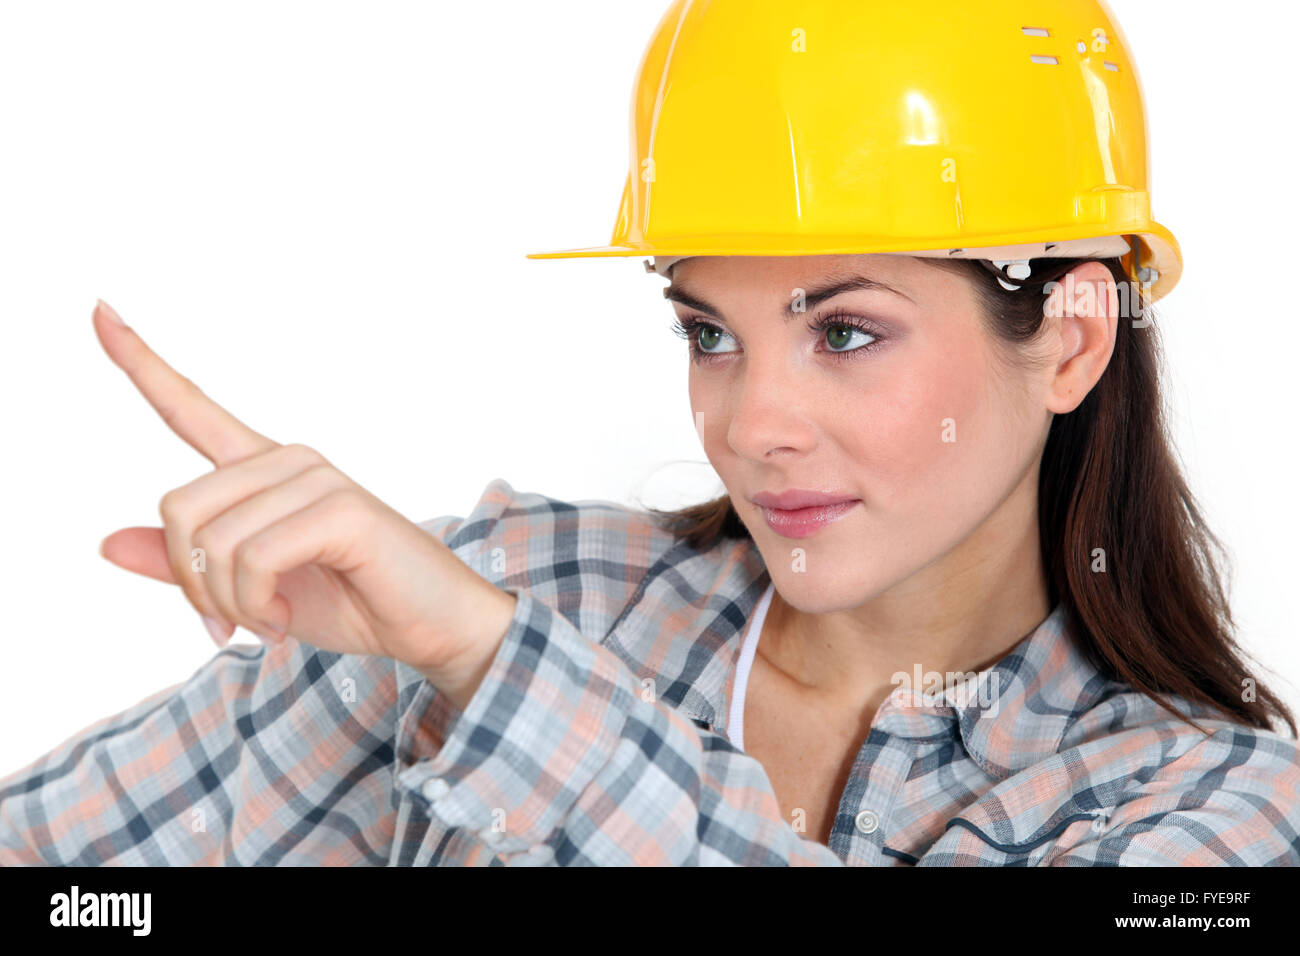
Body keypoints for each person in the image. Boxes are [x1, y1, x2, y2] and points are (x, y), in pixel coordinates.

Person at [2, 0, 1298, 866]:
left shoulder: (1208, 813)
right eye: (709, 332)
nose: (751, 423)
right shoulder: (529, 595)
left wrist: (495, 675)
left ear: (1070, 338)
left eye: (844, 332)